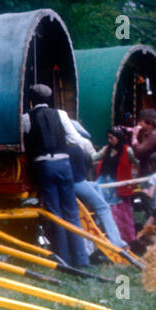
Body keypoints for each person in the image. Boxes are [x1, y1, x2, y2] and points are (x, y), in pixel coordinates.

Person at [20, 84, 90, 268]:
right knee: (72, 212)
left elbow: (21, 143)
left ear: (30, 100)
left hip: (43, 166)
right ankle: (82, 259)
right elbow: (76, 140)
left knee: (55, 213)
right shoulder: (61, 114)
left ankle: (63, 260)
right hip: (63, 164)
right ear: (49, 100)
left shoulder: (26, 118)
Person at [65, 121, 124, 253]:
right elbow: (84, 169)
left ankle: (100, 227)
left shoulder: (60, 147)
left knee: (96, 187)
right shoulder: (77, 148)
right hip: (78, 182)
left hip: (69, 183)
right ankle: (116, 243)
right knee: (103, 207)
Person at [95, 126, 138, 245]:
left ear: (118, 138)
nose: (109, 140)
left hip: (118, 185)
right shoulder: (106, 149)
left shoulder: (127, 150)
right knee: (101, 209)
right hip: (103, 184)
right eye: (108, 138)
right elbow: (94, 157)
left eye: (112, 138)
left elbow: (137, 163)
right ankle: (103, 237)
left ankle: (121, 239)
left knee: (118, 213)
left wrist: (136, 178)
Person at [133, 109, 156, 176]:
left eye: (141, 121)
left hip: (152, 175)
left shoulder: (155, 136)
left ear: (150, 123)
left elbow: (138, 153)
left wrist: (134, 136)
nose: (139, 124)